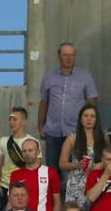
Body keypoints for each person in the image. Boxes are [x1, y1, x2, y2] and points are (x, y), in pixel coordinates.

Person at [39, 43, 98, 172]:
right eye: (65, 55)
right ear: (59, 56)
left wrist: (93, 126)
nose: (68, 58)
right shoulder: (48, 77)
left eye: (71, 55)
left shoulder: (86, 77)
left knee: (74, 171)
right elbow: (44, 102)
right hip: (53, 131)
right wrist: (40, 127)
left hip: (75, 133)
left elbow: (92, 103)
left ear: (75, 56)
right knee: (52, 171)